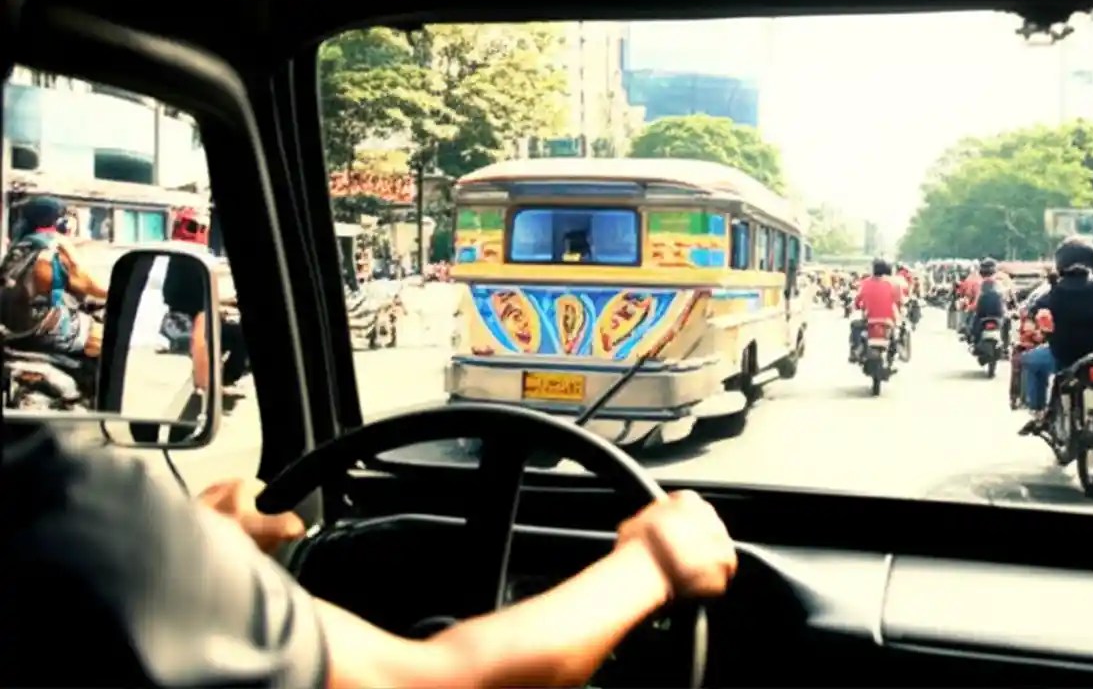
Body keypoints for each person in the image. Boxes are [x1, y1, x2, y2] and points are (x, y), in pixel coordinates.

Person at [0, 421, 737, 688]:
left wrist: (194, 548)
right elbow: (441, 680)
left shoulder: (82, 527)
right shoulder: (72, 507)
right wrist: (656, 566)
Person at [1018, 236, 1093, 434]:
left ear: (1061, 263)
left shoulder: (1054, 292)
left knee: (1030, 361)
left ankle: (1039, 412)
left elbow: (1035, 312)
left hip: (1065, 355)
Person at [0, 195, 108, 359]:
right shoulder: (57, 246)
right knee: (104, 340)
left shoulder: (21, 246)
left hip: (12, 329)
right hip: (44, 328)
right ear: (60, 222)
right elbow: (89, 284)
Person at [162, 207, 248, 395]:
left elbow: (201, 294)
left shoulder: (189, 260)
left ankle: (217, 377)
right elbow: (184, 297)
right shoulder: (185, 260)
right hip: (189, 321)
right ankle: (222, 380)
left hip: (195, 317)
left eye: (201, 227)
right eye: (194, 226)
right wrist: (217, 308)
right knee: (240, 336)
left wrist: (225, 303)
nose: (199, 231)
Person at [848, 258, 901, 362]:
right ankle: (893, 352)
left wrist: (858, 306)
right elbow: (899, 301)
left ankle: (855, 350)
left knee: (854, 326)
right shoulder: (894, 284)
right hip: (889, 321)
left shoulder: (865, 283)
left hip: (870, 321)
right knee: (896, 332)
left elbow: (857, 302)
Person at [965, 258, 1007, 346]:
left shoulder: (978, 282)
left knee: (973, 324)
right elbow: (1008, 296)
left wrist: (971, 307)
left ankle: (973, 341)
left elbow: (974, 299)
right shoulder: (1001, 281)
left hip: (983, 312)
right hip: (998, 312)